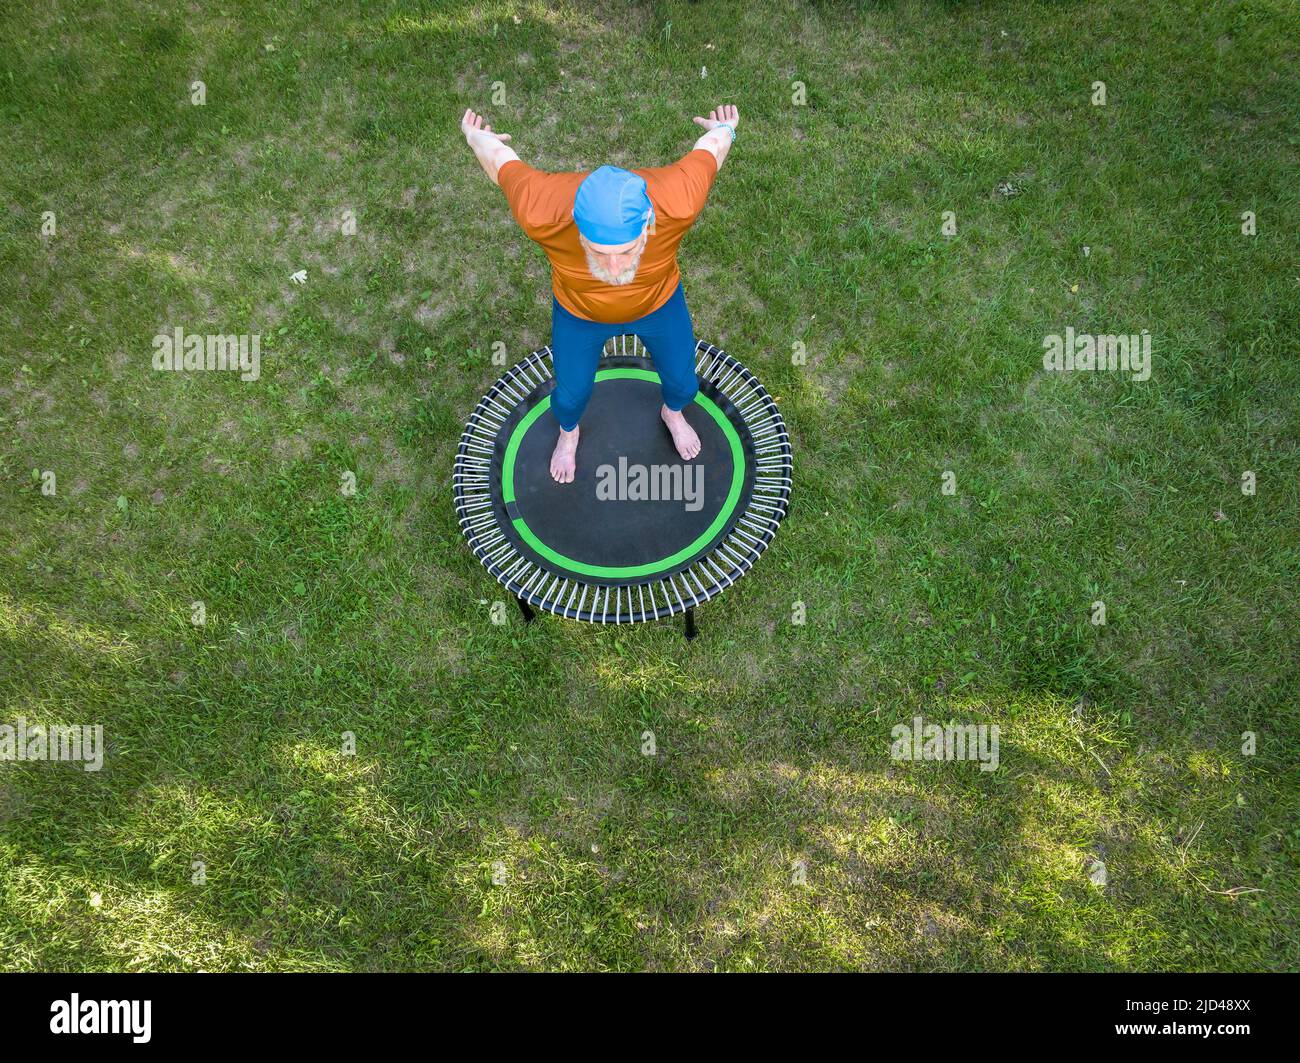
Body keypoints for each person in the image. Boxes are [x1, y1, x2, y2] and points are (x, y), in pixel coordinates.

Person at [459, 103, 738, 482]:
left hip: (659, 302)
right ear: (575, 224)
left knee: (684, 383)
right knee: (570, 397)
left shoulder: (677, 201)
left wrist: (725, 129)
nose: (614, 268)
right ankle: (568, 436)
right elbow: (500, 163)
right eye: (598, 252)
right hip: (579, 313)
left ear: (647, 225)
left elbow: (713, 150)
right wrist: (477, 136)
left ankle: (671, 414)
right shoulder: (543, 210)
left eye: (624, 252)